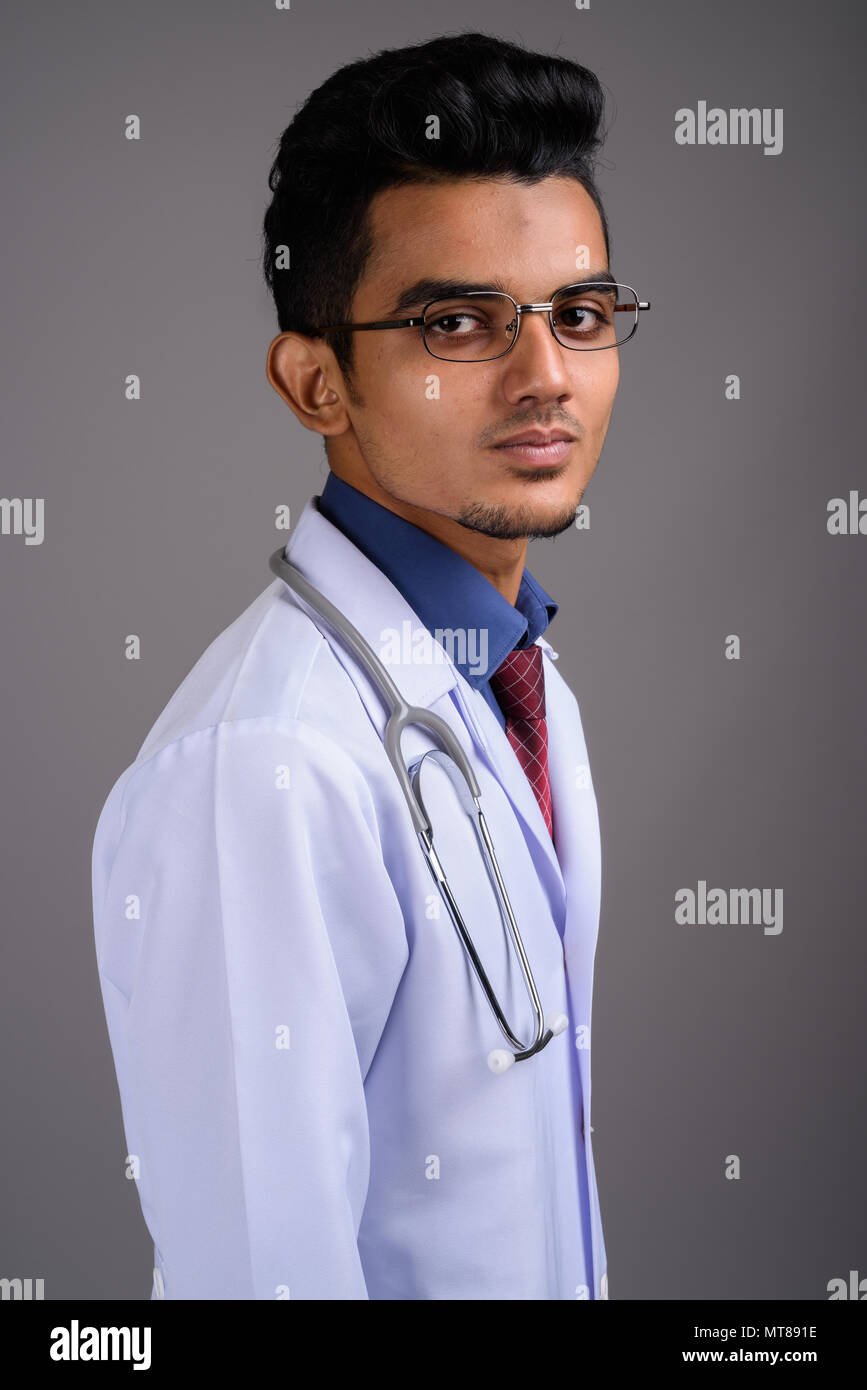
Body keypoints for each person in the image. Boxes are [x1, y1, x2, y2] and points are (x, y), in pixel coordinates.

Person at [91, 29, 649, 1301]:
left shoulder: (520, 683)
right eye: (458, 323)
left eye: (579, 315)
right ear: (316, 383)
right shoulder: (263, 767)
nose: (546, 377)